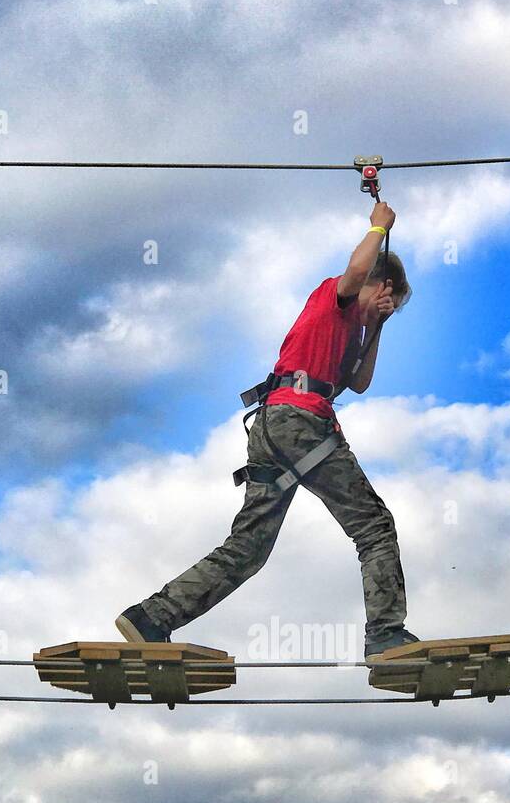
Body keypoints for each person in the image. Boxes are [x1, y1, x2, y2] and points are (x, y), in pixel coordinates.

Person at [115, 199, 420, 660]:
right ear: (381, 283)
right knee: (375, 528)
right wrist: (377, 229)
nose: (387, 306)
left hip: (273, 427)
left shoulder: (352, 327)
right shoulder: (333, 296)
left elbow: (357, 382)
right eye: (389, 297)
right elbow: (356, 273)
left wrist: (377, 323)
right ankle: (386, 633)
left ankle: (151, 617)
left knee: (249, 547)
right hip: (301, 425)